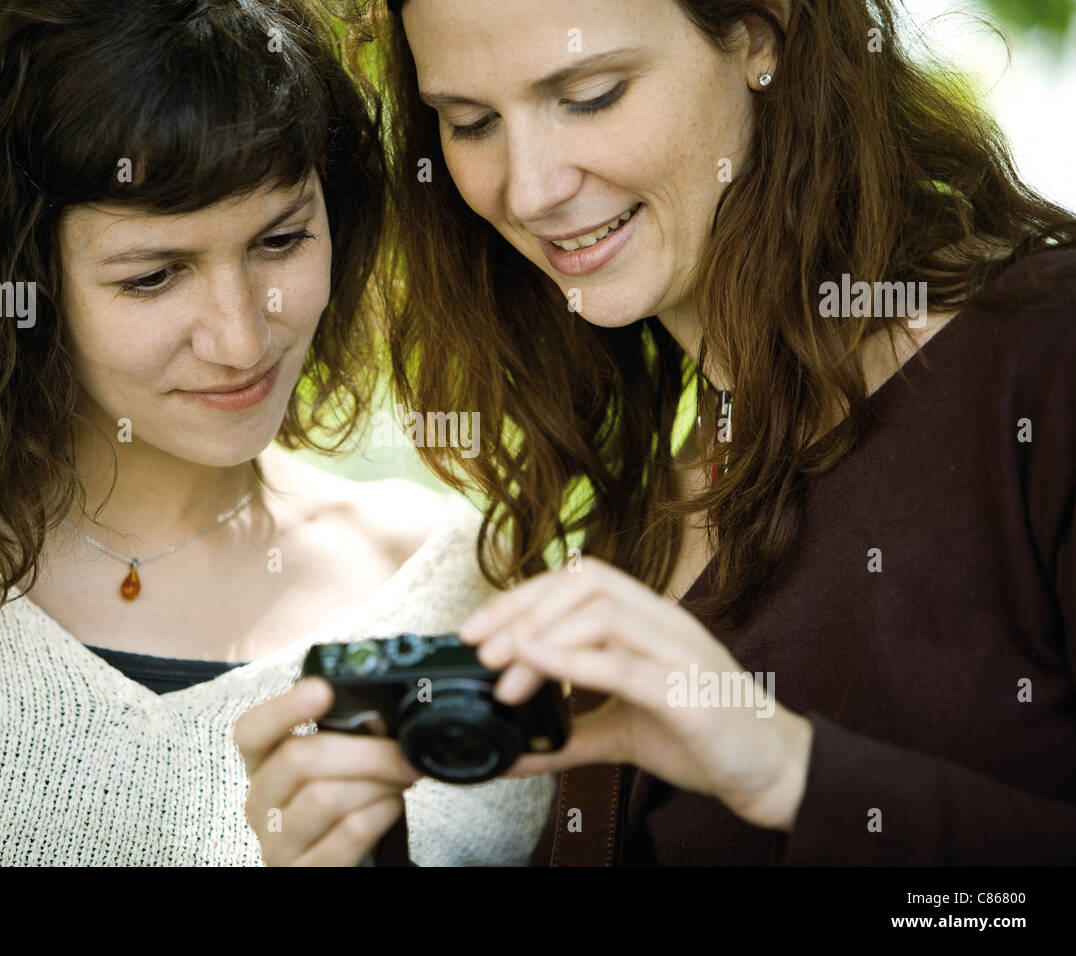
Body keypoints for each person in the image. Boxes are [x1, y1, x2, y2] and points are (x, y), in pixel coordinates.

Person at [249, 0, 1076, 864]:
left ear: (762, 36)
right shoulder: (641, 514)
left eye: (591, 95)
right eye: (473, 121)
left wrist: (788, 771)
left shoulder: (1044, 365)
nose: (529, 189)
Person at [0, 0, 552, 866]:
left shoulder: (468, 595)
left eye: (282, 238)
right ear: (9, 277)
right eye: (153, 276)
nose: (241, 339)